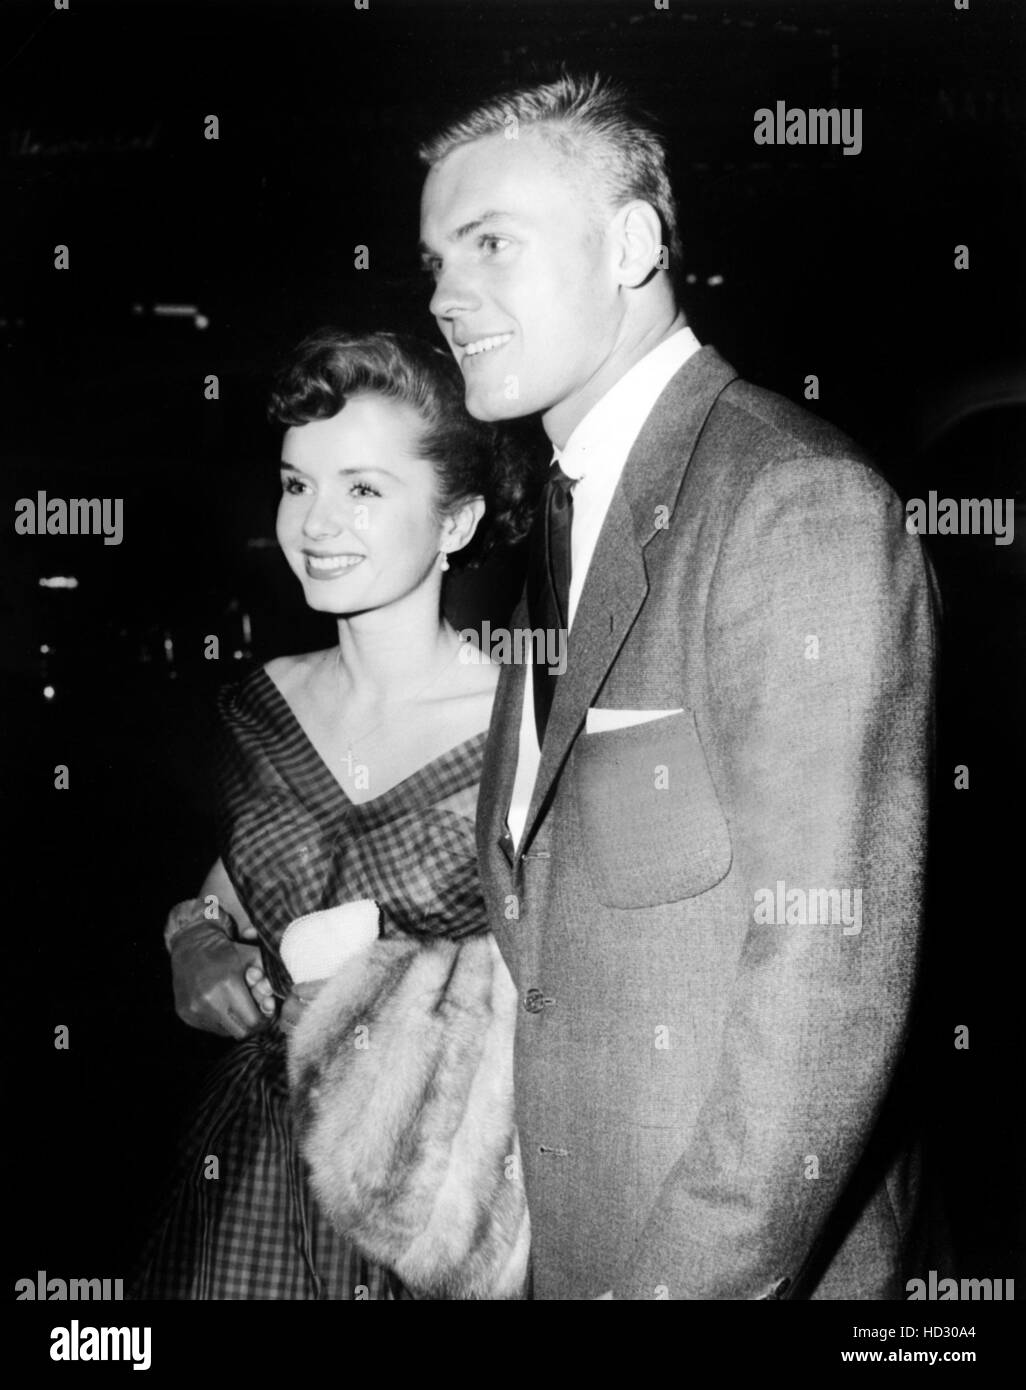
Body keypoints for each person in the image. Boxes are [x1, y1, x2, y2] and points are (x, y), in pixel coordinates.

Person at [418, 73, 941, 1300]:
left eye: (491, 242)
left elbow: (826, 979)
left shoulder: (791, 500)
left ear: (632, 246)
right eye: (435, 259)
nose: (444, 294)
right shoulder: (568, 519)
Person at [133, 329, 536, 1299]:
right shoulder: (260, 703)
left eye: (363, 489)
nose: (315, 523)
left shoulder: (526, 725)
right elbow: (234, 891)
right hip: (251, 1174)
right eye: (296, 483)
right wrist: (195, 940)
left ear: (455, 521)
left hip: (428, 1193)